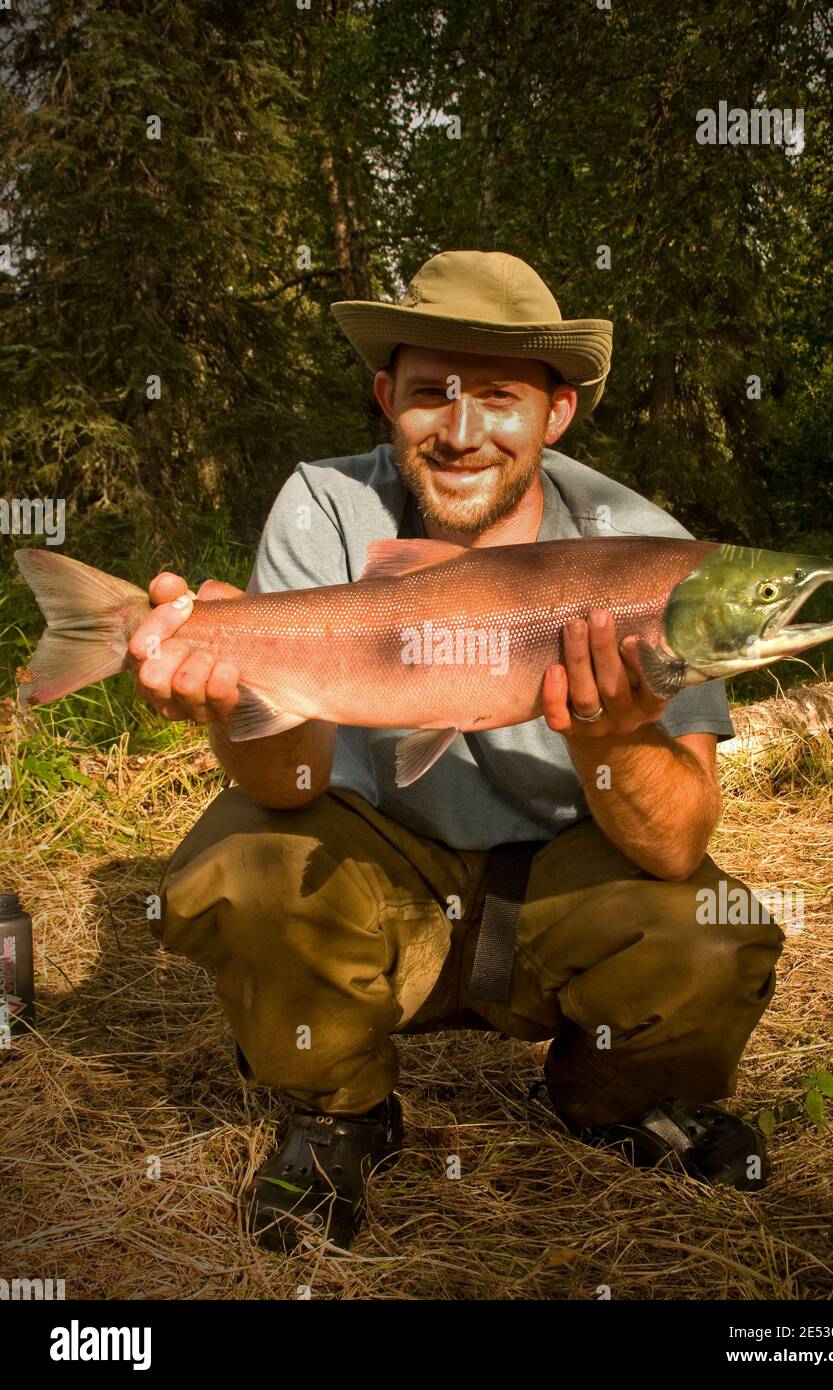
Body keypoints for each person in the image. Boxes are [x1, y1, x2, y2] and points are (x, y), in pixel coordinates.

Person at [131, 251, 784, 1254]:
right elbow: (288, 782)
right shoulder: (323, 507)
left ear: (555, 412)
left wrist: (612, 734)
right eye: (431, 391)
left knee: (711, 926)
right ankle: (339, 1110)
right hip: (377, 861)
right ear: (386, 396)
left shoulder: (646, 551)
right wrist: (227, 696)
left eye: (497, 396)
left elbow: (672, 846)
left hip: (568, 875)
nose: (462, 429)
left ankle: (613, 1096)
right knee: (243, 861)